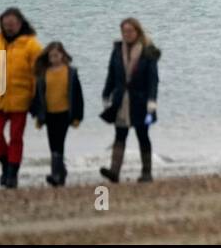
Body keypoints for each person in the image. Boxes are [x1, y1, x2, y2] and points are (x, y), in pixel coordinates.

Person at [0, 7, 43, 189]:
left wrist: (38, 97)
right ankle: (5, 163)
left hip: (20, 99)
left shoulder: (32, 45)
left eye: (12, 24)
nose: (9, 28)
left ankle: (12, 173)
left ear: (20, 23)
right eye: (5, 25)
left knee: (16, 137)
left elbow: (39, 73)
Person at [99, 18, 161, 183]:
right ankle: (114, 171)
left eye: (130, 31)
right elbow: (111, 73)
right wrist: (106, 94)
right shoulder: (117, 50)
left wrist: (152, 101)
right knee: (120, 134)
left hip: (141, 101)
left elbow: (153, 79)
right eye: (124, 31)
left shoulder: (148, 51)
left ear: (137, 31)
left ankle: (146, 173)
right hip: (121, 100)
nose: (127, 34)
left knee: (142, 135)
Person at [30, 42, 85, 187]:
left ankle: (56, 175)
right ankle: (61, 171)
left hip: (65, 113)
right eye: (51, 55)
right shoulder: (43, 73)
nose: (54, 57)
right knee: (52, 144)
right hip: (49, 114)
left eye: (57, 55)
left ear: (63, 55)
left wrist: (78, 116)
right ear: (48, 57)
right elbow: (38, 96)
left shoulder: (70, 72)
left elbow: (78, 96)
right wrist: (37, 115)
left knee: (58, 144)